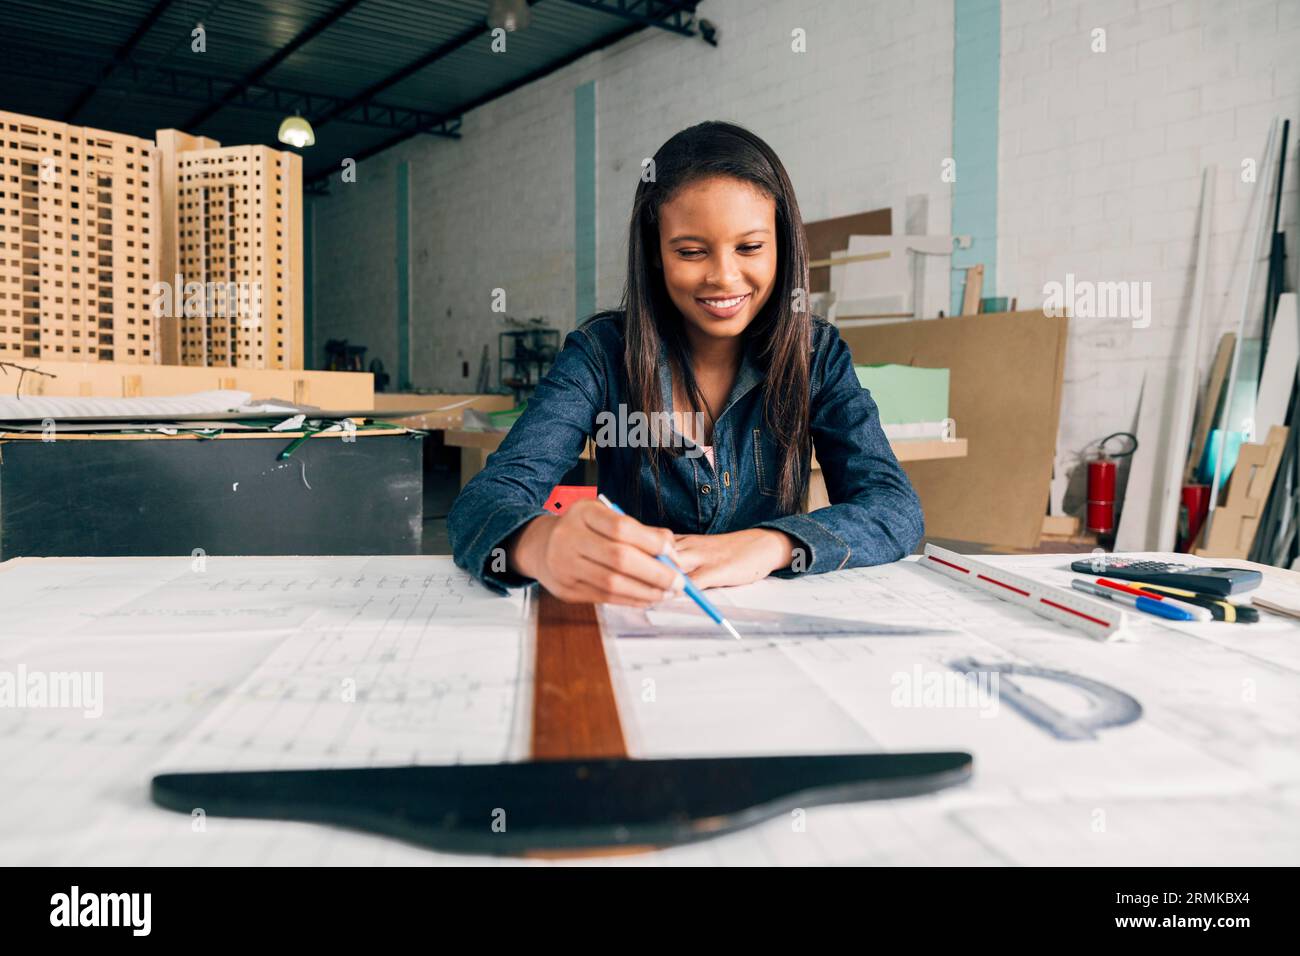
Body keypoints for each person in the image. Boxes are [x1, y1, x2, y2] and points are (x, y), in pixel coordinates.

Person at [450, 121, 923, 606]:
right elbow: (484, 500)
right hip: (639, 624)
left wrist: (770, 544)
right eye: (691, 252)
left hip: (766, 632)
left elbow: (895, 508)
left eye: (750, 247)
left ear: (781, 244)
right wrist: (540, 544)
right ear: (656, 252)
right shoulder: (601, 354)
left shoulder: (815, 354)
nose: (723, 276)